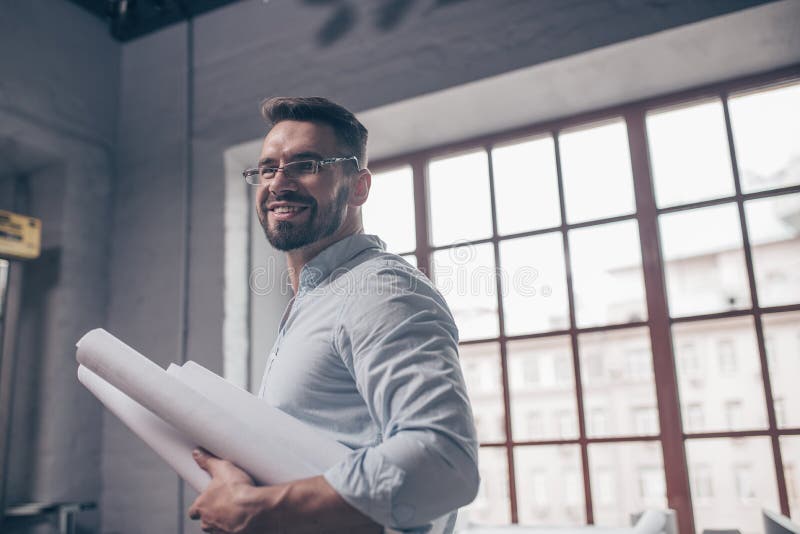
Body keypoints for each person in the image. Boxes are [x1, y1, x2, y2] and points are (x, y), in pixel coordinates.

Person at [188, 97, 479, 533]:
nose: (278, 184)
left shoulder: (380, 290)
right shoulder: (314, 301)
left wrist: (260, 508)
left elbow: (443, 461)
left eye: (306, 165)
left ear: (358, 187)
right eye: (268, 169)